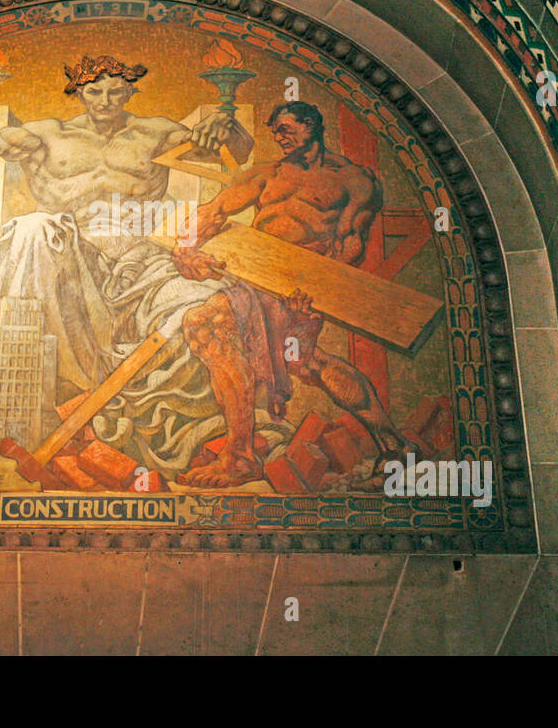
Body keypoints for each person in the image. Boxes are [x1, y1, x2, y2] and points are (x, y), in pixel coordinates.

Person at [0, 54, 253, 393]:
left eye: (115, 92)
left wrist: (226, 128)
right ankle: (20, 369)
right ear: (78, 93)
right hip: (69, 263)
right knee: (33, 227)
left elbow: (237, 155)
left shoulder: (156, 133)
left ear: (129, 92)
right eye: (95, 92)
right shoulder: (49, 136)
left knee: (211, 305)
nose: (105, 102)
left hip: (143, 262)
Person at [172, 101, 421, 487]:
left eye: (288, 128)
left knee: (303, 362)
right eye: (276, 132)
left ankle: (242, 458)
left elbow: (350, 245)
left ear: (313, 125)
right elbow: (215, 209)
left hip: (305, 288)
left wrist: (315, 291)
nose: (281, 137)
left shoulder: (354, 180)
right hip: (254, 282)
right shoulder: (268, 174)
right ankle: (242, 457)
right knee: (215, 326)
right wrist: (184, 249)